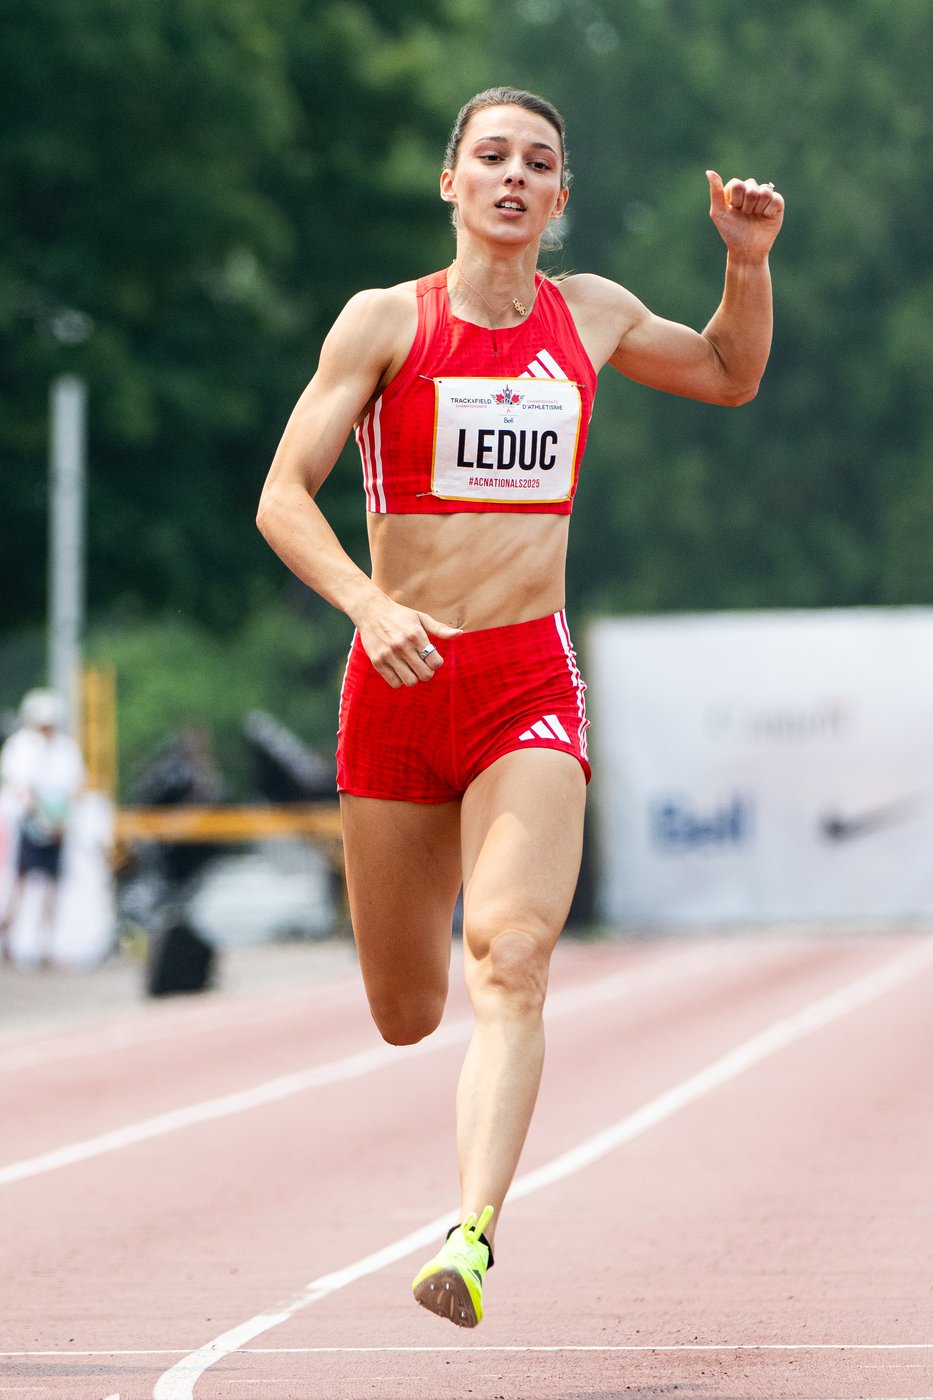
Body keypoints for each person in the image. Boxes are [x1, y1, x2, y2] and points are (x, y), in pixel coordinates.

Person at [257, 86, 784, 1327]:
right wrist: (366, 606)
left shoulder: (588, 313)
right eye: (489, 156)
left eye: (537, 163)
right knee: (406, 1009)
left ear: (559, 198)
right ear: (451, 182)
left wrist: (745, 266)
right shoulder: (384, 322)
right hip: (396, 681)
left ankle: (472, 1234)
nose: (511, 176)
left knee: (513, 952)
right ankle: (437, 1038)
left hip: (524, 687)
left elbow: (726, 372)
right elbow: (285, 492)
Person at [0, 689, 85, 966]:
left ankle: (48, 946)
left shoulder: (66, 749)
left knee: (52, 887)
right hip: (31, 824)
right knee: (22, 882)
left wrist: (60, 820)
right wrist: (38, 816)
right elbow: (20, 786)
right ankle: (9, 942)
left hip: (58, 824)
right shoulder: (23, 746)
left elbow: (75, 786)